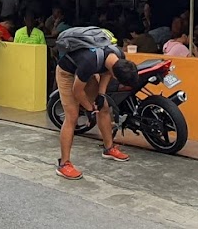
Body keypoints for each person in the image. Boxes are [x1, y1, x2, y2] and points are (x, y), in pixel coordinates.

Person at [54, 27, 141, 180]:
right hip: (67, 73)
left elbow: (107, 72)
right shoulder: (90, 62)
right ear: (117, 75)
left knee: (104, 107)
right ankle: (64, 164)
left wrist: (101, 95)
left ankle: (109, 148)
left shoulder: (119, 55)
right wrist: (89, 108)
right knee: (72, 117)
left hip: (84, 73)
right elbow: (77, 91)